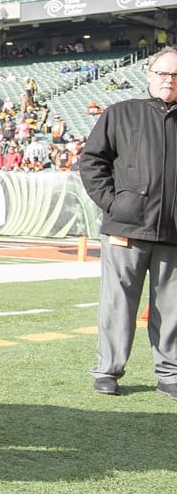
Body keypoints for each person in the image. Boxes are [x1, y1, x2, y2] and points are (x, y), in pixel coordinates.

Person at [80, 46, 177, 401]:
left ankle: (170, 373)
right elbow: (92, 163)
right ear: (149, 76)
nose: (169, 81)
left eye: (175, 75)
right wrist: (114, 204)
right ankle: (108, 370)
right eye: (163, 74)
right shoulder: (120, 114)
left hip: (173, 232)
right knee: (117, 303)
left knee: (173, 307)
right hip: (126, 228)